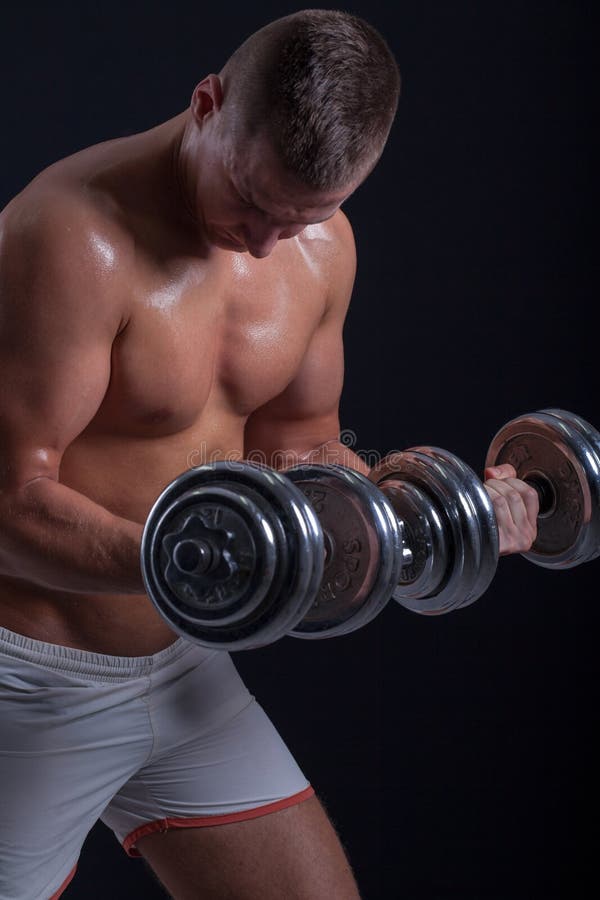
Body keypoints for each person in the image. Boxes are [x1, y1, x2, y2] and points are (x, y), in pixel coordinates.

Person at [0, 9, 539, 900]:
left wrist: (442, 514)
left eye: (303, 217)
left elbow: (300, 453)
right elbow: (8, 501)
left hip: (184, 669)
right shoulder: (69, 243)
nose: (261, 243)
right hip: (27, 681)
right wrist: (192, 564)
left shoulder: (320, 250)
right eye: (250, 200)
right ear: (207, 103)